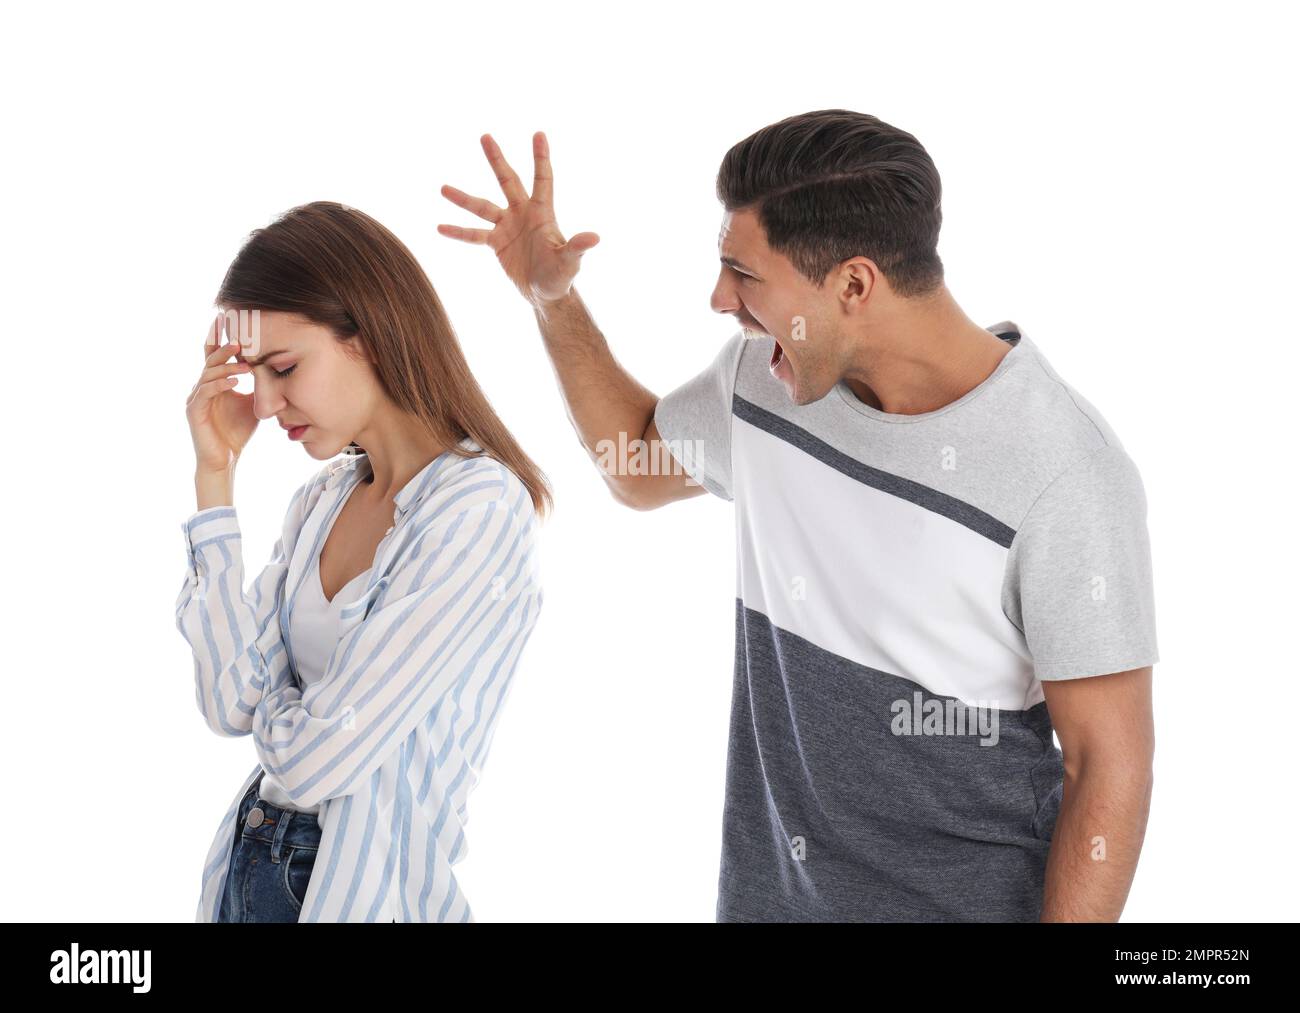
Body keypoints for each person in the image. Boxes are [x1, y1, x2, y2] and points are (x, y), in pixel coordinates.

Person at [436, 111, 1159, 922]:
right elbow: (635, 461)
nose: (719, 299)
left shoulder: (1064, 472)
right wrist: (552, 298)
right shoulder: (766, 384)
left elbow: (1108, 765)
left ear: (853, 285)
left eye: (743, 274)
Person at [176, 201, 549, 922]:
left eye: (282, 366)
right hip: (250, 861)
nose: (266, 400)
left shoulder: (478, 509)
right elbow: (227, 702)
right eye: (254, 372)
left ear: (369, 336)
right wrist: (215, 475)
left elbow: (317, 760)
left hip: (359, 895)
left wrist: (277, 699)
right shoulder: (321, 499)